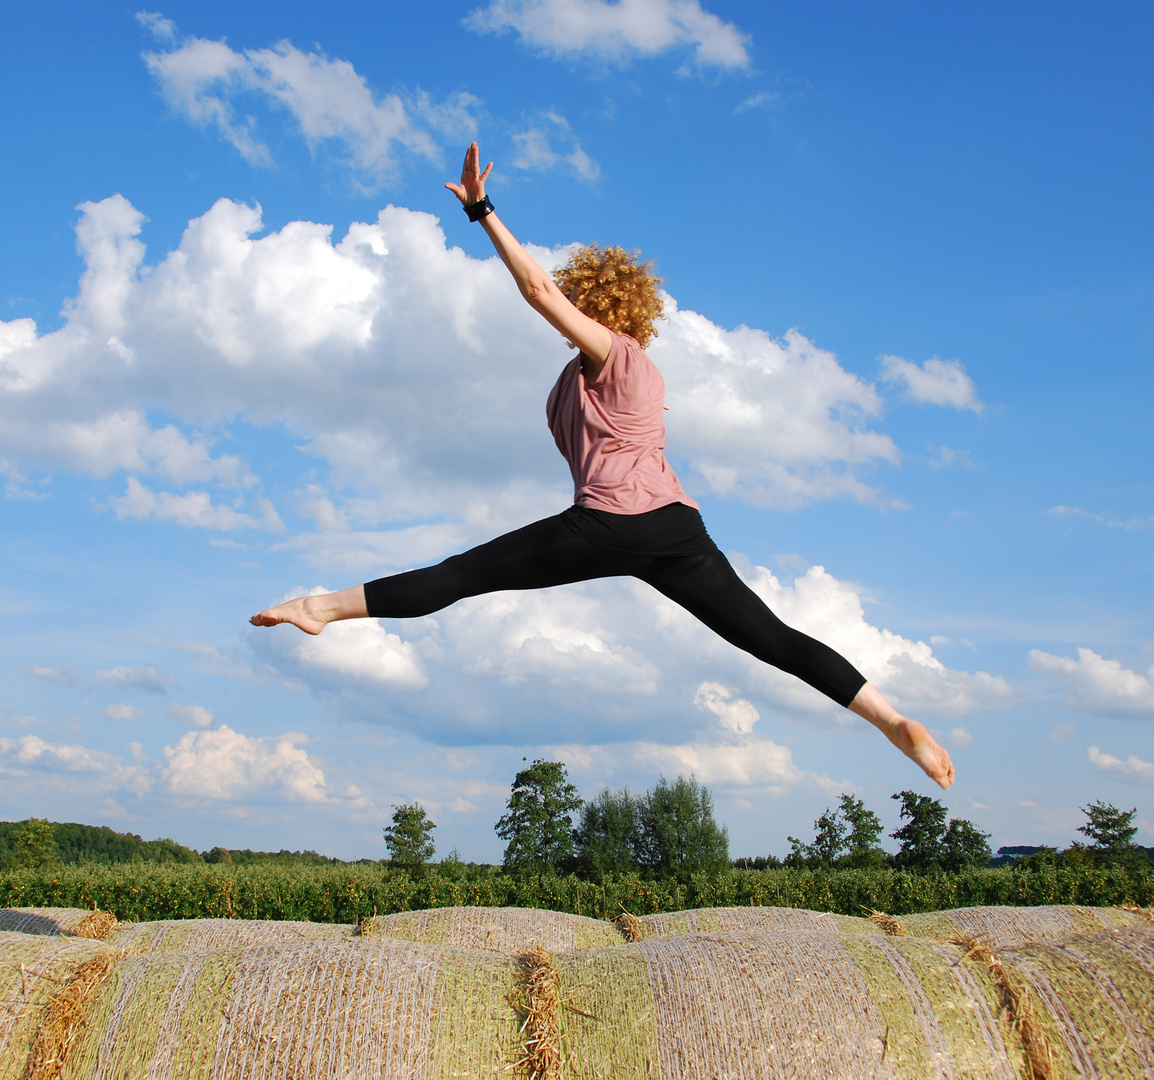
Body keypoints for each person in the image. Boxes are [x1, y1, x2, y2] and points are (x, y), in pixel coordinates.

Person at [253, 142, 955, 789]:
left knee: (462, 575)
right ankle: (892, 721)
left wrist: (482, 213)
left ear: (591, 301)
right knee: (771, 637)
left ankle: (317, 608)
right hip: (678, 531)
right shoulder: (609, 376)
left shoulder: (613, 355)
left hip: (611, 523)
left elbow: (536, 293)